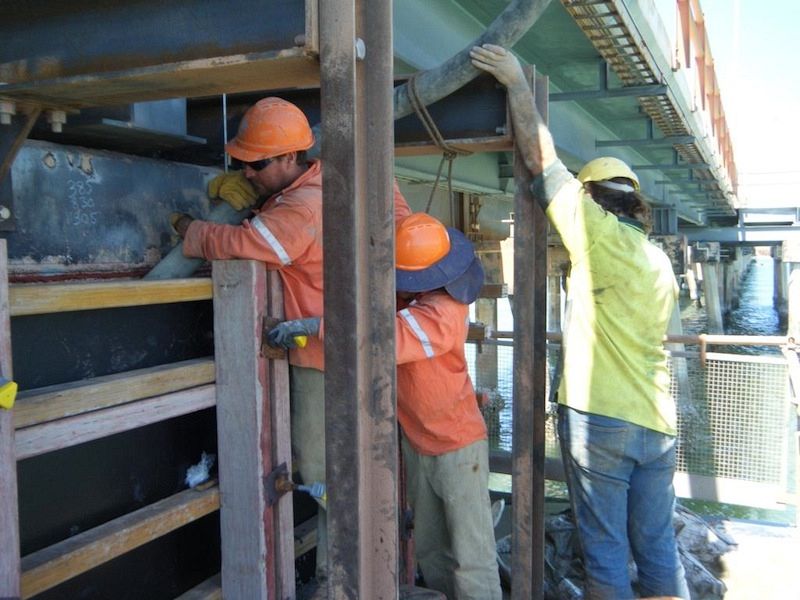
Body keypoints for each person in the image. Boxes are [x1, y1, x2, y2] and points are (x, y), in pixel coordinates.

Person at [470, 45, 689, 599]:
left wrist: (517, 84)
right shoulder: (660, 261)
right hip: (658, 421)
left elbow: (542, 160)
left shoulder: (596, 233)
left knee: (605, 551)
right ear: (635, 204)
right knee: (656, 547)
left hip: (601, 418)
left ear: (592, 199)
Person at [171, 96, 411, 593]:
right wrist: (260, 199)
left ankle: (341, 582)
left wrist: (192, 231)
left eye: (256, 165)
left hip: (323, 360)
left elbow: (244, 244)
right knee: (359, 472)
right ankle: (369, 572)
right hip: (364, 351)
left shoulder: (299, 208)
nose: (247, 172)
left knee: (326, 477)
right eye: (242, 163)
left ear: (289, 157)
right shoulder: (343, 183)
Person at [269, 213, 501, 600]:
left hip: (459, 448)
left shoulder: (443, 315)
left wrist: (314, 327)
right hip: (419, 444)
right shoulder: (411, 298)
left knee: (472, 557)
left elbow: (381, 339)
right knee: (432, 550)